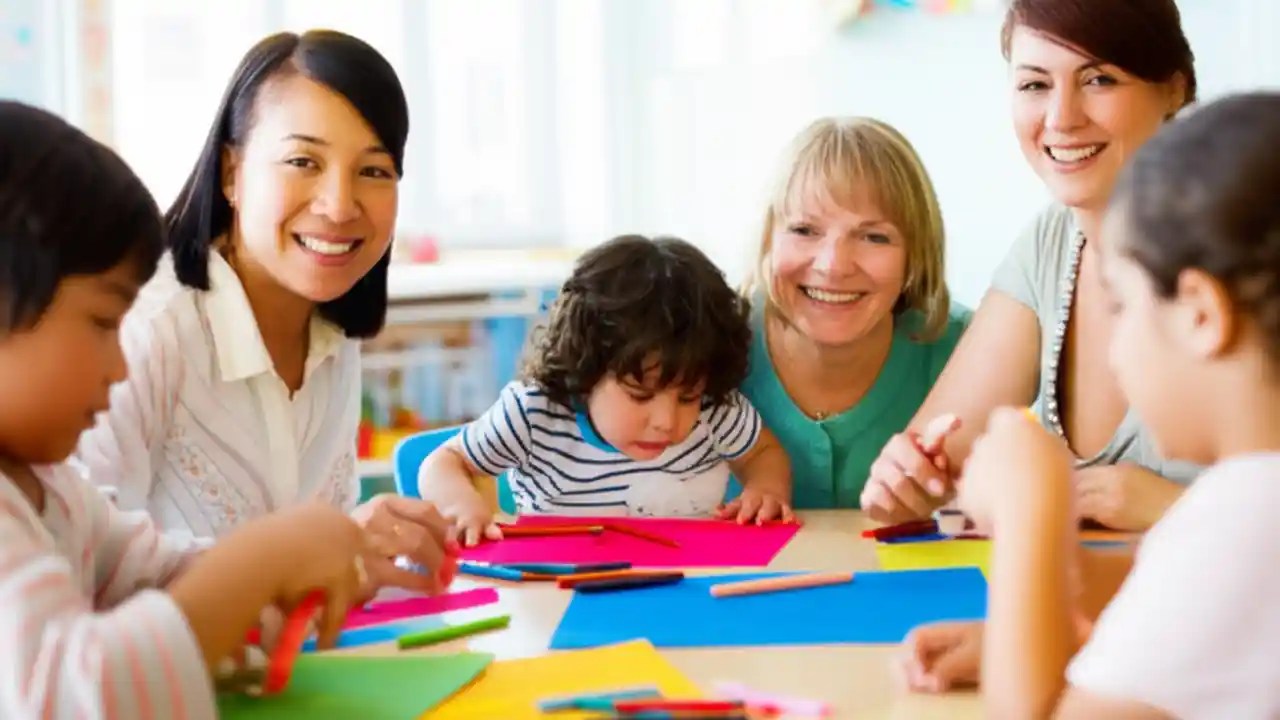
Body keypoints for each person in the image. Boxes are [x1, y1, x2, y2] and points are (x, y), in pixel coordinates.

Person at [0, 100, 383, 718]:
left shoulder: (54, 492)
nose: (119, 364)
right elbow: (68, 698)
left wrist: (293, 569)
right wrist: (264, 560)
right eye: (102, 322)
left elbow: (155, 571)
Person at [907, 91, 1280, 718]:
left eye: (1123, 305)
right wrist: (1025, 640)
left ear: (1199, 315)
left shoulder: (1246, 516)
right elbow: (1169, 587)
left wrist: (1032, 508)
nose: (1116, 352)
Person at [74, 30, 450, 592]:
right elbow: (81, 562)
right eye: (303, 160)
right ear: (232, 172)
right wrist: (310, 555)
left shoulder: (333, 330)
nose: (339, 206)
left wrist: (360, 548)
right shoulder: (146, 330)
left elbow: (310, 563)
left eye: (374, 170)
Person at [863, 0, 1200, 530]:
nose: (1061, 118)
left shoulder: (1247, 246)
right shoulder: (1051, 243)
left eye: (1099, 80)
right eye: (1035, 85)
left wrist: (1175, 510)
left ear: (1174, 89)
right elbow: (937, 456)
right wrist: (905, 480)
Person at [419, 235, 795, 545]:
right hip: (557, 595)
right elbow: (442, 463)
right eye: (640, 394)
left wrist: (766, 487)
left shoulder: (715, 410)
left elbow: (762, 452)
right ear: (586, 369)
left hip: (686, 591)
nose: (666, 422)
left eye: (687, 397)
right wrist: (461, 505)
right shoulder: (533, 413)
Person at [739, 117, 970, 508]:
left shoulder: (971, 350)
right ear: (768, 238)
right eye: (804, 230)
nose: (833, 265)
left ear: (916, 253)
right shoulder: (701, 341)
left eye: (873, 237)